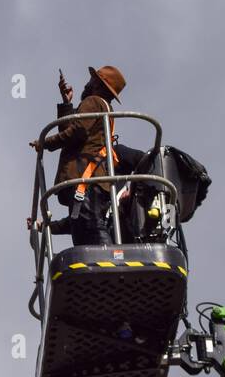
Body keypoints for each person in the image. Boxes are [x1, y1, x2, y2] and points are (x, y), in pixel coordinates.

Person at [30, 65, 147, 244]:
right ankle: (108, 262)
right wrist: (67, 103)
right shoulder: (104, 107)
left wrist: (45, 143)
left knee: (90, 228)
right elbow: (73, 130)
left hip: (84, 178)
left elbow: (77, 132)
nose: (87, 83)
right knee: (84, 225)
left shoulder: (93, 101)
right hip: (92, 182)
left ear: (98, 85)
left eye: (92, 80)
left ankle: (108, 262)